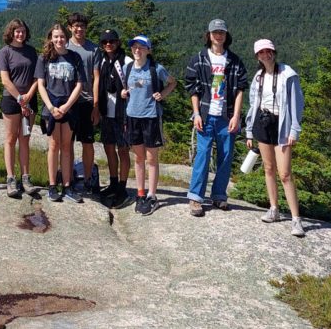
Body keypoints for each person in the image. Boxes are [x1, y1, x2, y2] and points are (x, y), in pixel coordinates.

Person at [183, 19, 248, 217]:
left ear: (226, 35)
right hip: (205, 114)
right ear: (209, 35)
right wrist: (195, 113)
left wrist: (236, 115)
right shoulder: (199, 59)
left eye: (221, 32)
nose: (218, 35)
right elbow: (192, 88)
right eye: (215, 32)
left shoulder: (234, 61)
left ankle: (219, 195)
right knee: (202, 155)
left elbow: (239, 90)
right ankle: (195, 197)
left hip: (226, 116)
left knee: (226, 156)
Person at [245, 39, 306, 237]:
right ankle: (274, 209)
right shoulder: (258, 77)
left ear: (274, 52)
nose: (265, 55)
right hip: (263, 123)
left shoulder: (288, 74)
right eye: (261, 52)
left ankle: (296, 219)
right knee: (269, 168)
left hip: (282, 125)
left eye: (268, 51)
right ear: (257, 56)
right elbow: (253, 103)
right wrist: (249, 130)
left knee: (285, 174)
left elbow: (297, 103)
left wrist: (294, 130)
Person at [121, 35, 177, 215]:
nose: (137, 50)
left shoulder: (156, 68)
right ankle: (140, 192)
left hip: (151, 116)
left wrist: (163, 94)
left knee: (151, 158)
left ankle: (152, 195)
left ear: (148, 50)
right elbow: (135, 86)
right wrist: (125, 92)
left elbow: (172, 82)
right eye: (134, 47)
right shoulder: (127, 67)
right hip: (132, 116)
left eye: (141, 47)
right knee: (138, 158)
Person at [36, 23, 85, 203]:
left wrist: (66, 106)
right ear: (51, 38)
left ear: (67, 37)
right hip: (51, 107)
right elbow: (41, 84)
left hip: (69, 107)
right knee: (53, 146)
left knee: (66, 147)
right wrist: (50, 107)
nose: (59, 40)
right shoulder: (44, 58)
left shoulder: (74, 57)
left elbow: (79, 84)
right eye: (55, 37)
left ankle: (67, 185)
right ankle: (51, 185)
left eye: (62, 36)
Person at [0, 19, 38, 198]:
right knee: (11, 139)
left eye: (22, 31)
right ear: (11, 33)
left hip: (30, 98)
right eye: (16, 31)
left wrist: (28, 96)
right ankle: (11, 178)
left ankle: (26, 178)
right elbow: (5, 79)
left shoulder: (31, 52)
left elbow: (38, 77)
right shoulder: (5, 52)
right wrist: (20, 99)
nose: (20, 35)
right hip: (12, 100)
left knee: (25, 139)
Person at [92, 29, 132, 208]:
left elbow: (138, 82)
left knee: (123, 149)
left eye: (112, 41)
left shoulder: (127, 62)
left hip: (122, 114)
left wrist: (129, 92)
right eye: (105, 42)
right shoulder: (102, 61)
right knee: (109, 148)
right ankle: (114, 182)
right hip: (106, 112)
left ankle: (123, 187)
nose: (108, 44)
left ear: (118, 42)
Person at [65, 13, 100, 194]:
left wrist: (96, 106)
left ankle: (87, 180)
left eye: (82, 26)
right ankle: (68, 178)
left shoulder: (93, 49)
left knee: (87, 142)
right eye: (76, 26)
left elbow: (96, 78)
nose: (79, 29)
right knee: (68, 142)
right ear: (70, 27)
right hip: (68, 102)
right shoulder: (64, 47)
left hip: (86, 102)